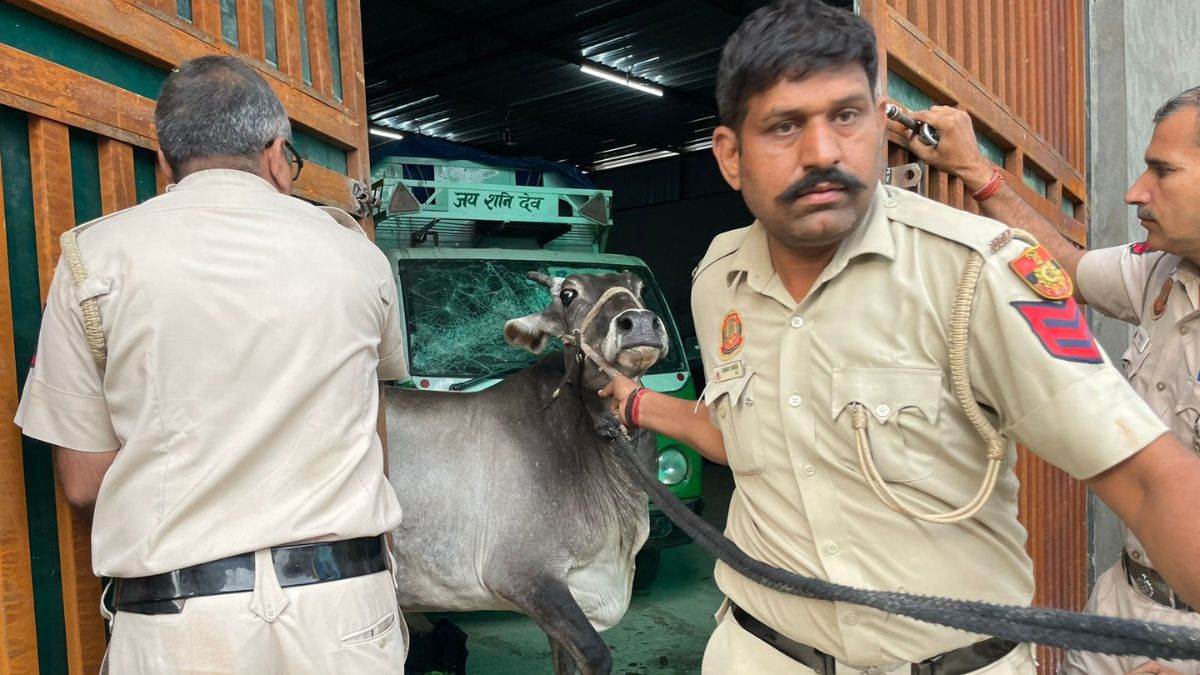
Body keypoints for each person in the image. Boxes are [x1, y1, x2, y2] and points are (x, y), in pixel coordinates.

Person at [599, 2, 1200, 673]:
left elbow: (1149, 477)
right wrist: (631, 402)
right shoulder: (718, 278)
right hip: (758, 652)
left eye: (847, 116)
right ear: (730, 156)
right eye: (784, 126)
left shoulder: (979, 272)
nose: (823, 151)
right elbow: (746, 435)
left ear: (878, 119)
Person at [13, 55, 409, 672]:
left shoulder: (93, 260)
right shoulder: (358, 257)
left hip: (180, 629)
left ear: (165, 160)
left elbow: (84, 483)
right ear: (278, 151)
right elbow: (373, 425)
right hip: (345, 616)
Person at [887, 86, 1200, 675]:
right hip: (1122, 606)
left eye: (1163, 170)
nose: (1137, 191)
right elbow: (1067, 268)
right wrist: (973, 168)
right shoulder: (1158, 269)